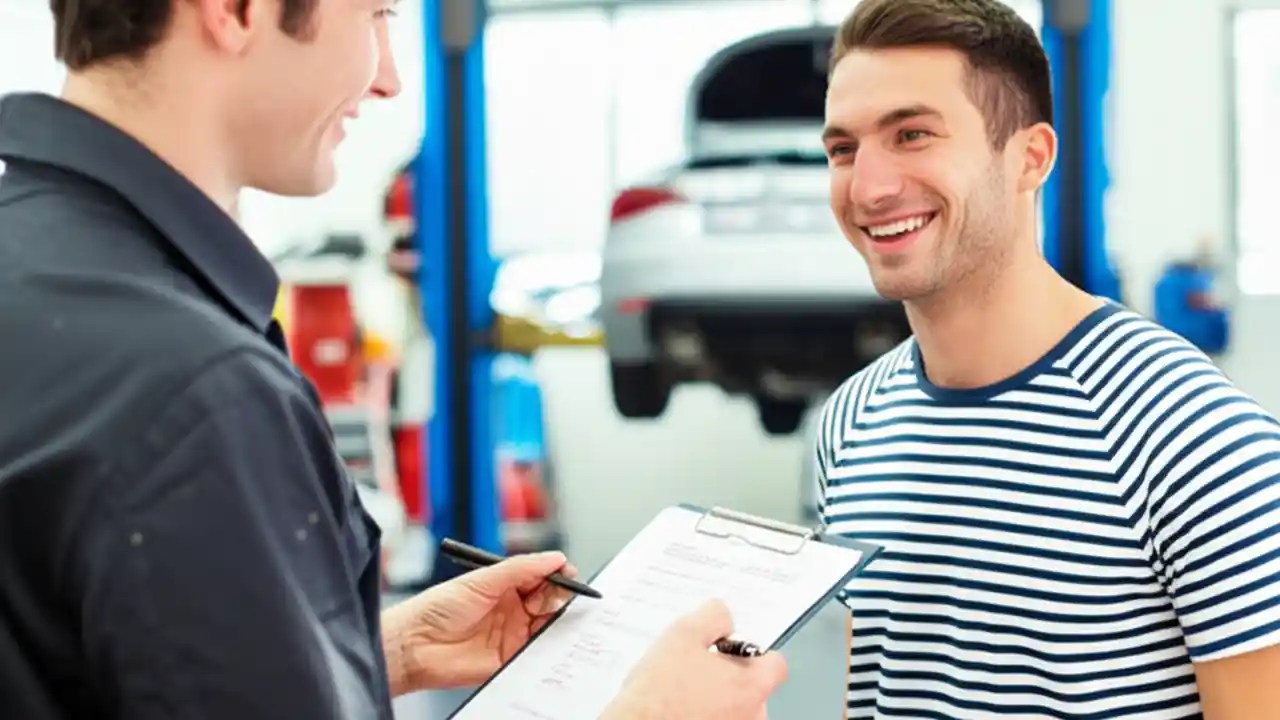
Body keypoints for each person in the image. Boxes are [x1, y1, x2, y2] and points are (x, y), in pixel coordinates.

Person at [0, 1, 787, 718]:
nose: (388, 79)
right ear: (234, 12)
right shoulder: (196, 391)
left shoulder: (33, 273)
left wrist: (375, 651)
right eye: (374, 17)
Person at [814, 0, 1280, 718]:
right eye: (844, 149)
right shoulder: (848, 425)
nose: (868, 187)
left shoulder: (1193, 438)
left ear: (1031, 157)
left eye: (912, 135)